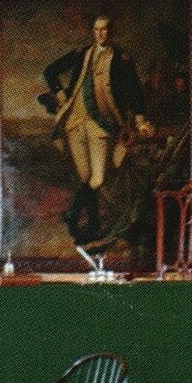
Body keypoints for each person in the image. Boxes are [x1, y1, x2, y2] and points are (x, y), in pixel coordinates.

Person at [40, 15, 154, 241]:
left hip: (100, 124)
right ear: (93, 31)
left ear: (111, 31)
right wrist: (63, 97)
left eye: (105, 29)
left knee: (98, 180)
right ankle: (91, 226)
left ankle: (72, 214)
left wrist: (140, 119)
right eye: (97, 29)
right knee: (85, 178)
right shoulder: (83, 53)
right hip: (74, 123)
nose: (101, 33)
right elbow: (50, 72)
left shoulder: (122, 59)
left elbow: (135, 91)